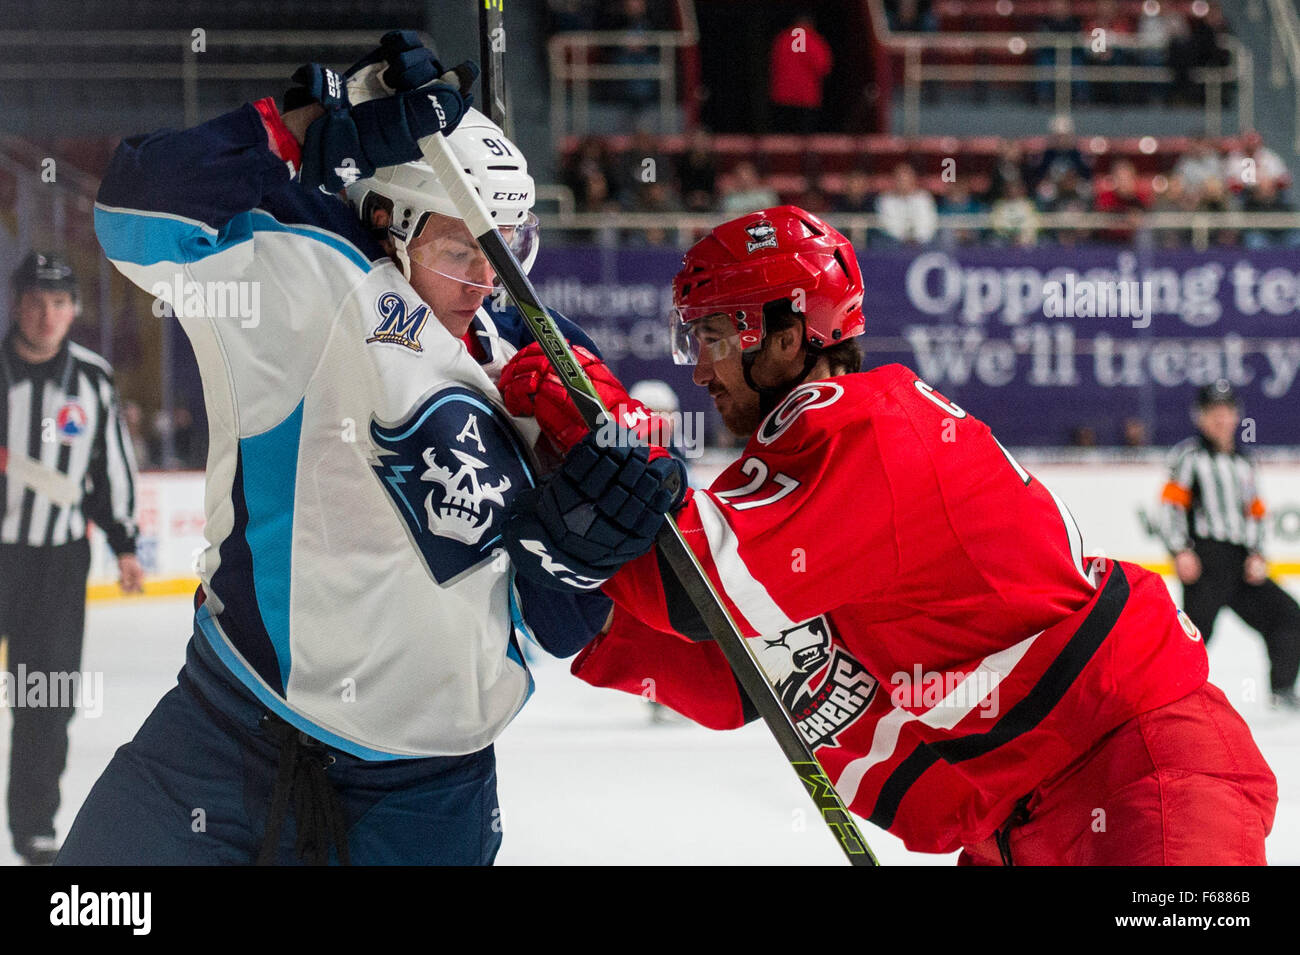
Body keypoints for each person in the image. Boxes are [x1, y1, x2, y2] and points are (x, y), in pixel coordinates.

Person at [498, 205, 1277, 864]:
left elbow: (692, 586)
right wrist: (594, 623)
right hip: (1033, 814)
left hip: (1141, 779)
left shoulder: (860, 427)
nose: (700, 369)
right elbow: (754, 675)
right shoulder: (816, 481)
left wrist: (575, 398)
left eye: (712, 335)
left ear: (786, 332)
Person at [56, 32, 610, 866]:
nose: (487, 283)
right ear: (389, 222)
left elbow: (562, 603)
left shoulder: (531, 351)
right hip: (227, 738)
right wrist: (312, 118)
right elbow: (135, 206)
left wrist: (596, 544)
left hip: (431, 795)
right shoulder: (309, 273)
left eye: (505, 249)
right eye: (463, 252)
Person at [0, 251, 143, 864]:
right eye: (35, 300)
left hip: (57, 565)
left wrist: (126, 545)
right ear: (16, 304)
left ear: (76, 311)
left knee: (46, 696)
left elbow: (110, 470)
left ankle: (34, 826)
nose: (46, 314)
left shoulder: (92, 379)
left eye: (59, 303)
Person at [1162, 380, 1300, 710]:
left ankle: (1282, 690)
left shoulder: (1244, 463)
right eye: (1214, 411)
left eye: (1227, 410)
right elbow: (1171, 507)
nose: (1221, 418)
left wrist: (1256, 554)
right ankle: (1168, 700)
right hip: (1206, 559)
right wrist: (1181, 550)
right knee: (1192, 637)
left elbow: (1254, 512)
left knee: (1287, 615)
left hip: (1240, 563)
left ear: (1236, 415)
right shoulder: (1189, 457)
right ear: (1201, 417)